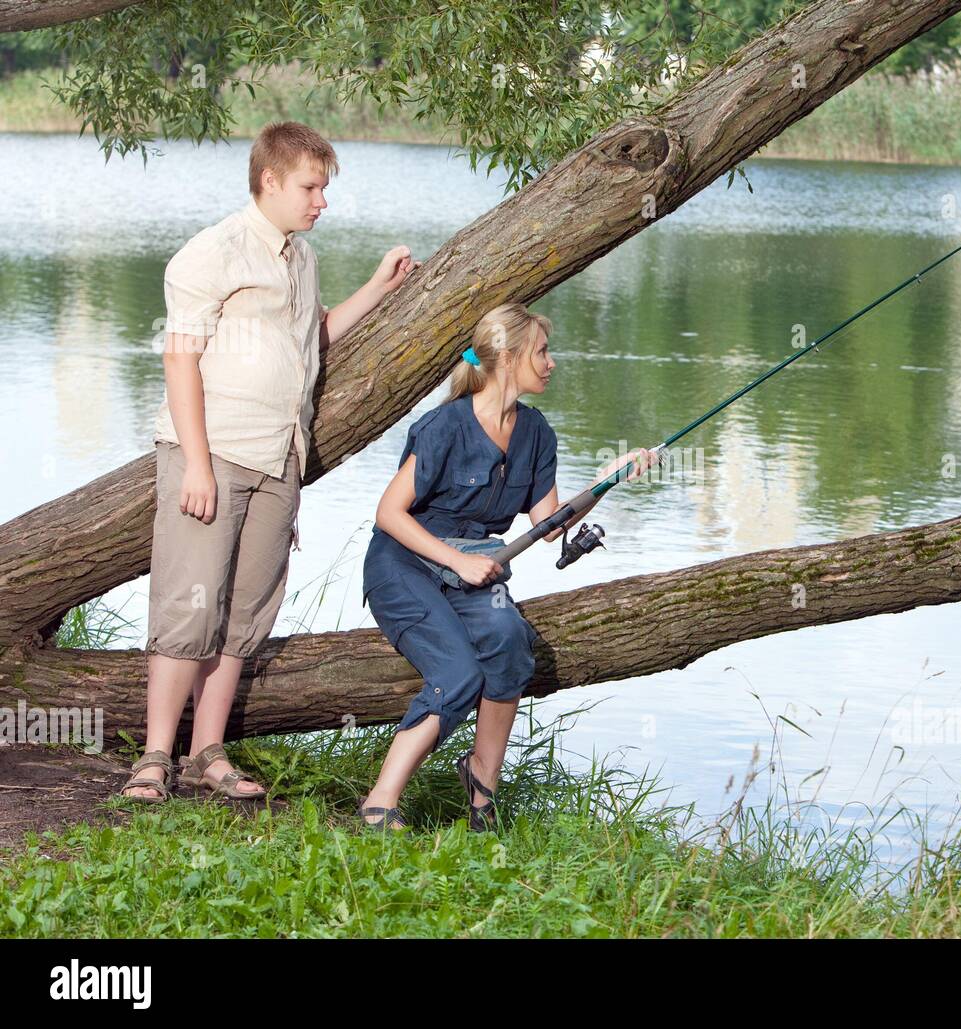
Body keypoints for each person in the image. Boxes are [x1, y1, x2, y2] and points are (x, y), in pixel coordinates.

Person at [120, 121, 421, 802]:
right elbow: (179, 358)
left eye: (324, 188)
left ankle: (209, 754)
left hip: (278, 461)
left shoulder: (299, 257)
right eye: (312, 187)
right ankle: (154, 756)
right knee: (186, 609)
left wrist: (378, 287)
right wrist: (195, 464)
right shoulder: (213, 253)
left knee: (244, 616)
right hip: (215, 456)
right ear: (271, 181)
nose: (322, 201)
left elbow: (311, 337)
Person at [356, 302, 653, 831]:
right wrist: (456, 562)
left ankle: (480, 786)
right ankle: (380, 801)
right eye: (542, 351)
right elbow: (388, 514)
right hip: (405, 563)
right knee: (457, 672)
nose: (551, 362)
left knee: (510, 642)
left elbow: (549, 524)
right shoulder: (445, 425)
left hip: (474, 568)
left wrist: (608, 480)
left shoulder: (536, 432)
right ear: (510, 357)